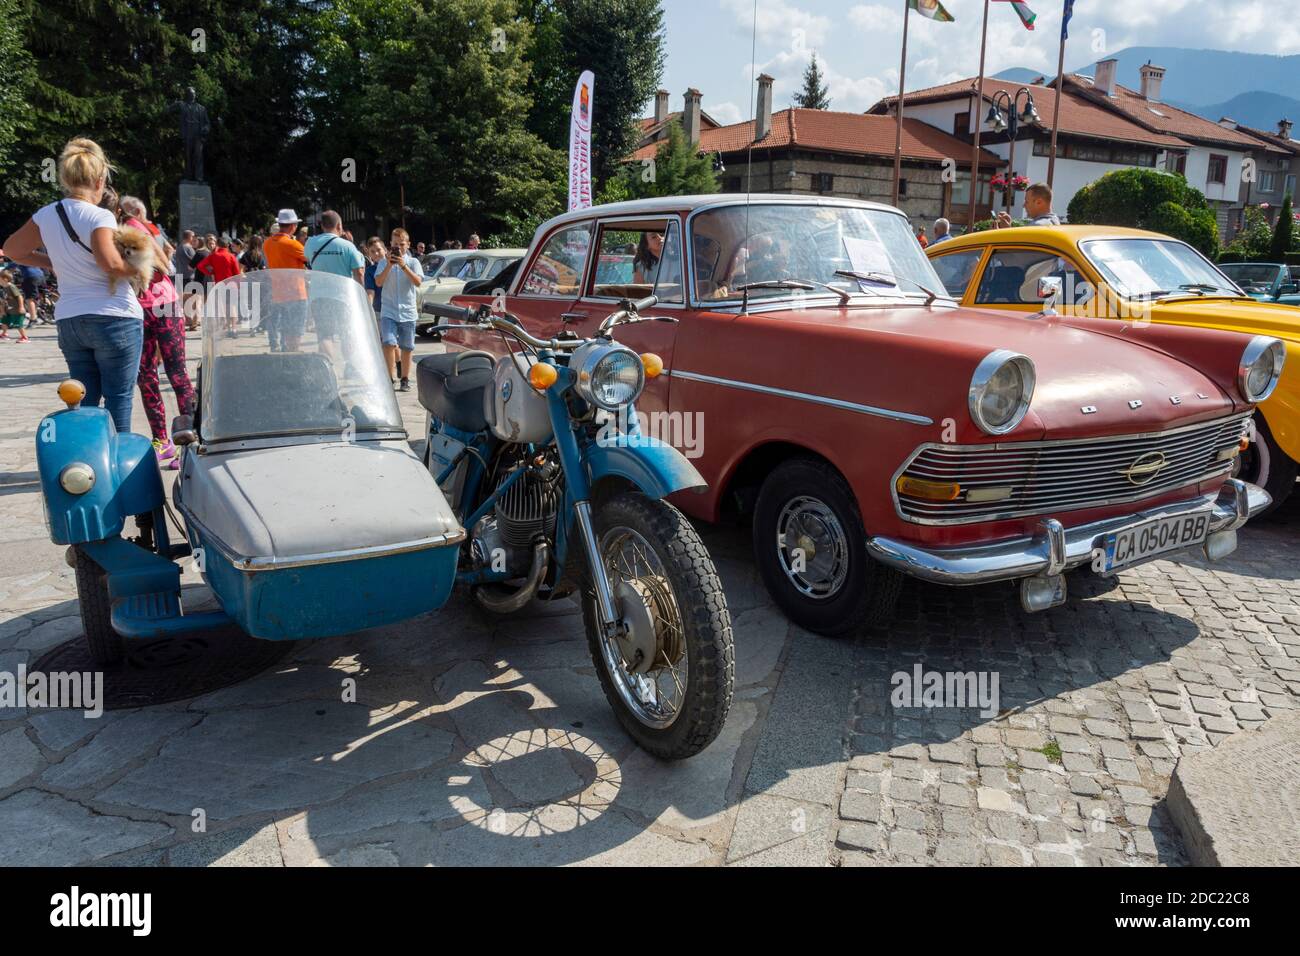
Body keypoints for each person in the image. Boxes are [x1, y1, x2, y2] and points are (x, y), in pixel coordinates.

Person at [2, 138, 144, 433]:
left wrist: (51, 261)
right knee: (118, 398)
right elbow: (110, 264)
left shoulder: (45, 215)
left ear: (65, 179)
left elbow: (12, 250)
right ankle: (115, 464)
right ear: (100, 179)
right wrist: (142, 268)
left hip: (70, 319)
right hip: (114, 316)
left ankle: (88, 465)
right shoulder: (100, 215)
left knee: (85, 401)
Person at [121, 206, 193, 466]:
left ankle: (190, 439)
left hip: (164, 306)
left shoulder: (141, 229)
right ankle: (161, 441)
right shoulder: (104, 229)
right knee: (146, 376)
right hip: (135, 310)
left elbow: (165, 266)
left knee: (176, 373)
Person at [374, 227, 423, 391]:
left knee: (407, 347)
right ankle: (389, 378)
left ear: (408, 245)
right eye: (395, 244)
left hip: (408, 310)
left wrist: (403, 266)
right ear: (390, 245)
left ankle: (405, 378)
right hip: (389, 310)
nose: (399, 247)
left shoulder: (413, 262)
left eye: (402, 244)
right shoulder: (383, 262)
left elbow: (417, 282)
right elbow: (379, 283)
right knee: (388, 342)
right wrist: (389, 265)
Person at [263, 209, 307, 352]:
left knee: (286, 329)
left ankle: (286, 355)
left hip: (278, 293)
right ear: (293, 225)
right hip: (296, 293)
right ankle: (293, 356)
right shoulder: (292, 244)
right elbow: (309, 258)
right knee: (296, 331)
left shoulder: (267, 243)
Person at [303, 210, 365, 283]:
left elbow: (307, 260)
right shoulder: (349, 246)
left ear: (322, 226)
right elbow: (359, 273)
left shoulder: (310, 243)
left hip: (318, 292)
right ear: (339, 225)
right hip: (342, 292)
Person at [0, 268, 29, 342]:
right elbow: (3, 300)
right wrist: (3, 310)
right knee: (4, 321)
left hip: (17, 309)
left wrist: (21, 307)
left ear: (5, 279)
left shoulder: (11, 287)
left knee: (18, 324)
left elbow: (20, 296)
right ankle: (4, 334)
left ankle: (24, 337)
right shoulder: (4, 288)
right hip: (9, 309)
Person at [363, 237, 386, 323]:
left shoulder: (395, 266)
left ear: (385, 249)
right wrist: (368, 309)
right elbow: (370, 293)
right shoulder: (370, 271)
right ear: (369, 254)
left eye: (379, 250)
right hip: (379, 311)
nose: (376, 253)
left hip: (398, 310)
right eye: (372, 251)